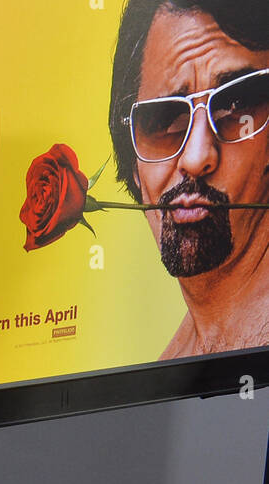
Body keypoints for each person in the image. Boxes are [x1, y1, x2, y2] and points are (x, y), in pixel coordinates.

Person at [107, 0, 269, 358]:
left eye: (233, 107)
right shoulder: (170, 367)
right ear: (133, 161)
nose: (196, 158)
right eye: (165, 120)